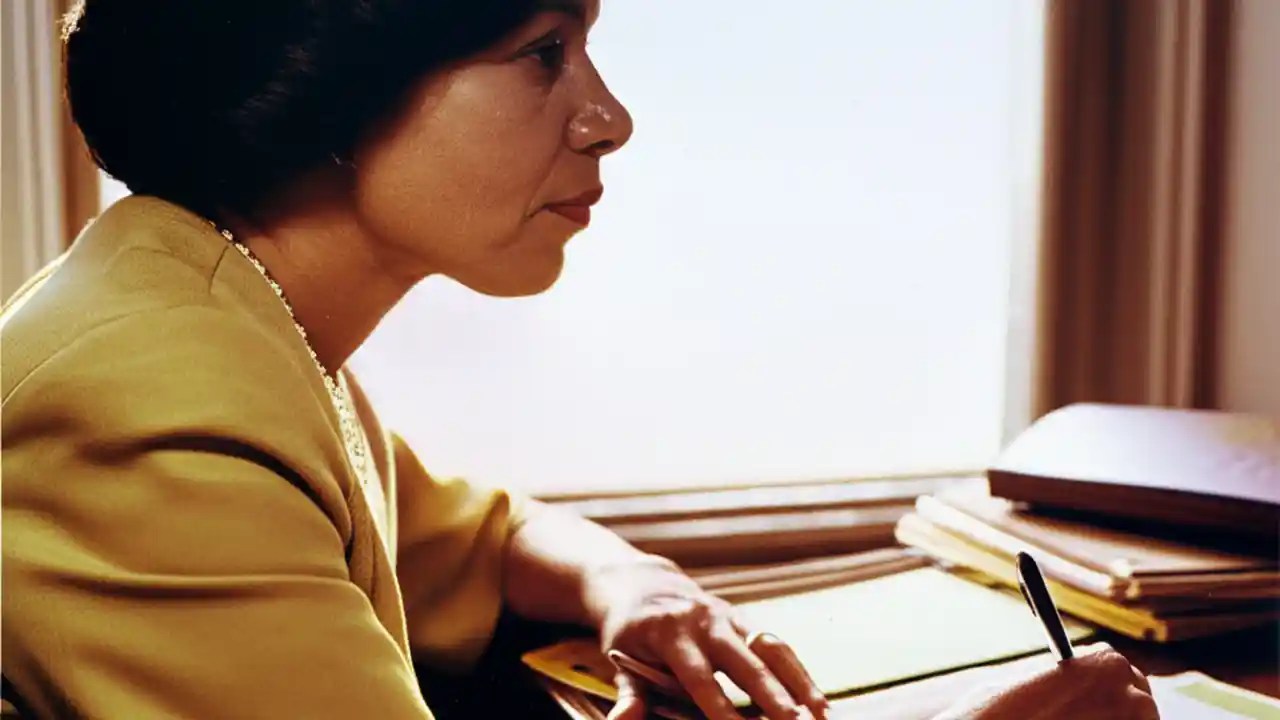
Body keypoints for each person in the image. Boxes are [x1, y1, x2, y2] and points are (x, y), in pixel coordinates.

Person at [0, 1, 1158, 718]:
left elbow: (483, 535)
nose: (609, 117)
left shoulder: (221, 319)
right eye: (544, 52)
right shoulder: (152, 405)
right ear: (332, 86)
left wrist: (636, 586)